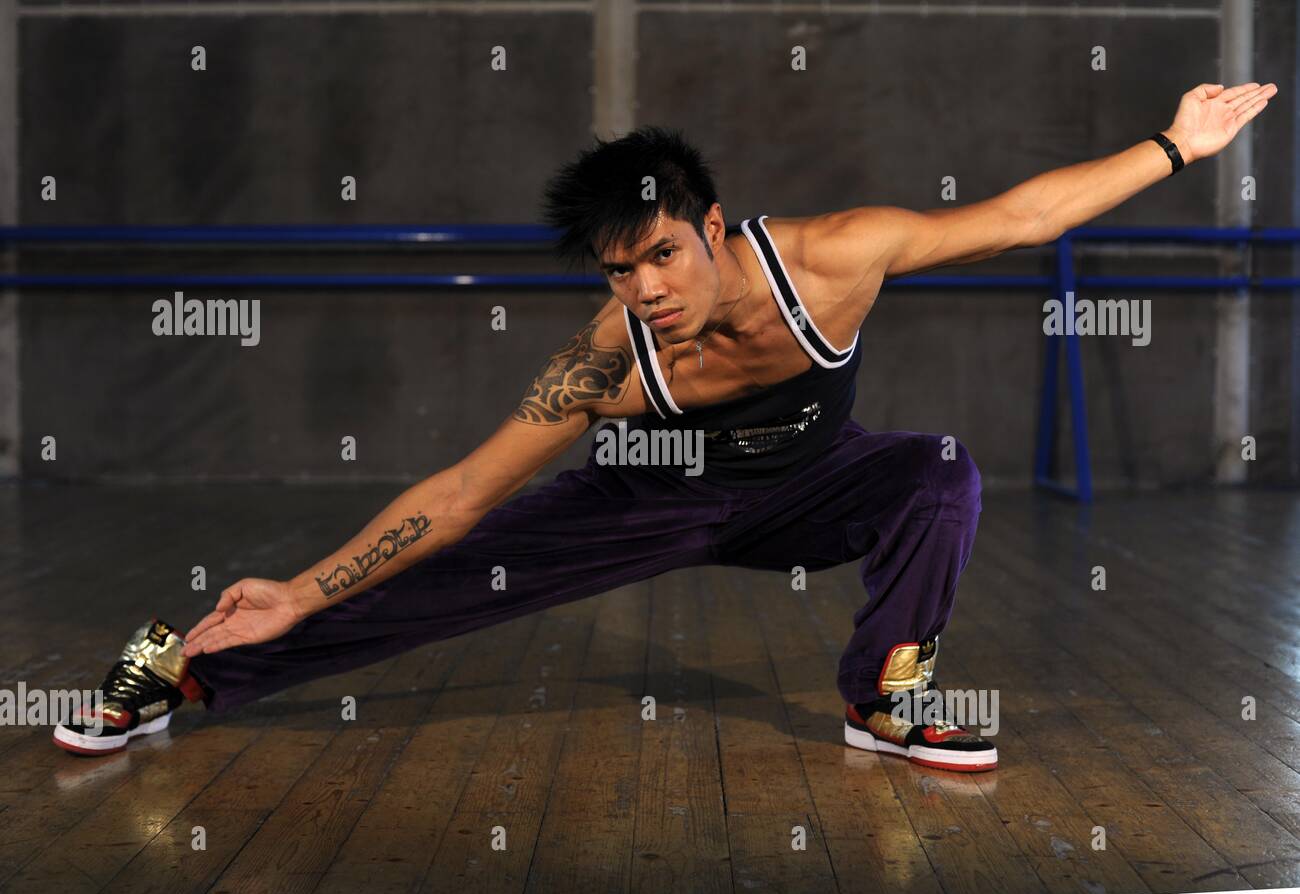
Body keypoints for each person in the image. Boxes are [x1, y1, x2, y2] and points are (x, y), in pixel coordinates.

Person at [53, 82, 1275, 772]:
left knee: (938, 474)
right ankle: (196, 673)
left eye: (660, 256)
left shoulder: (833, 259)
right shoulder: (608, 359)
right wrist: (306, 588)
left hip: (814, 483)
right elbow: (464, 489)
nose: (646, 289)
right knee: (444, 572)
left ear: (714, 226)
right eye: (618, 271)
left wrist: (1177, 144)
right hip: (653, 496)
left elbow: (1019, 216)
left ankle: (884, 699)